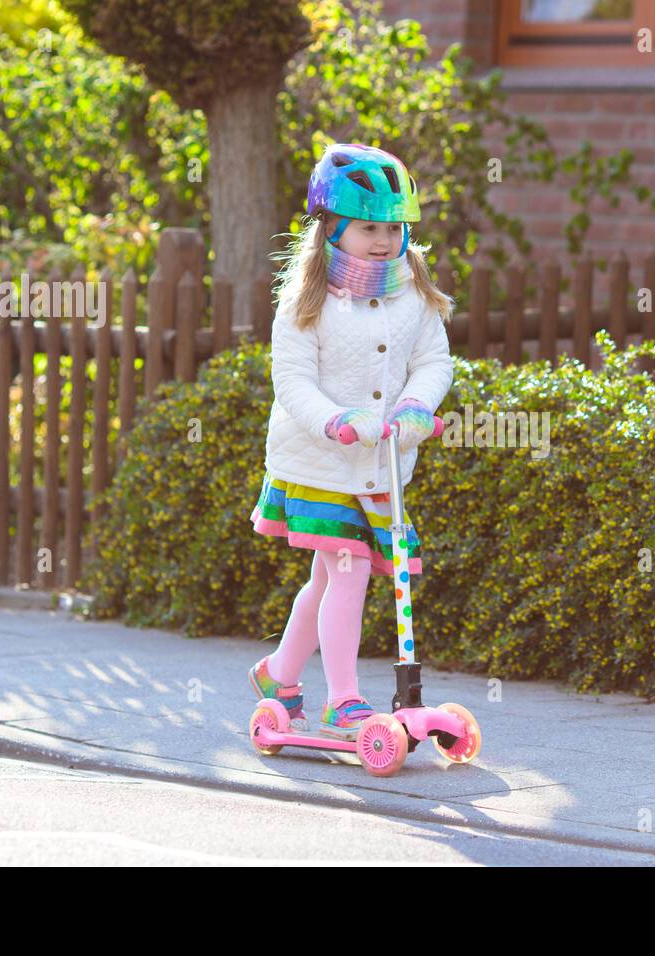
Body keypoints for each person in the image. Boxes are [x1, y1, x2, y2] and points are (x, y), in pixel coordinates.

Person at [247, 142, 454, 741]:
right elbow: (292, 381)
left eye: (395, 227)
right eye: (369, 227)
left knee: (328, 577)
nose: (385, 240)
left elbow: (432, 361)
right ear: (332, 228)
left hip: (381, 464)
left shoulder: (412, 291)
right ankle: (345, 700)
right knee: (350, 570)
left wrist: (417, 407)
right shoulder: (304, 302)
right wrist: (336, 420)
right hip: (319, 460)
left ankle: (280, 675)